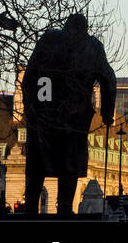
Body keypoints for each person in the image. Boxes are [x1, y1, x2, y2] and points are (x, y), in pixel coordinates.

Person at [22, 14, 116, 217]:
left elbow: (29, 76)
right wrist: (108, 113)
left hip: (44, 113)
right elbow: (109, 79)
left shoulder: (48, 40)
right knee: (69, 163)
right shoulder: (92, 47)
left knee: (39, 162)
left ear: (66, 27)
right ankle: (64, 208)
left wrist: (30, 106)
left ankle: (31, 207)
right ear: (85, 29)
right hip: (74, 117)